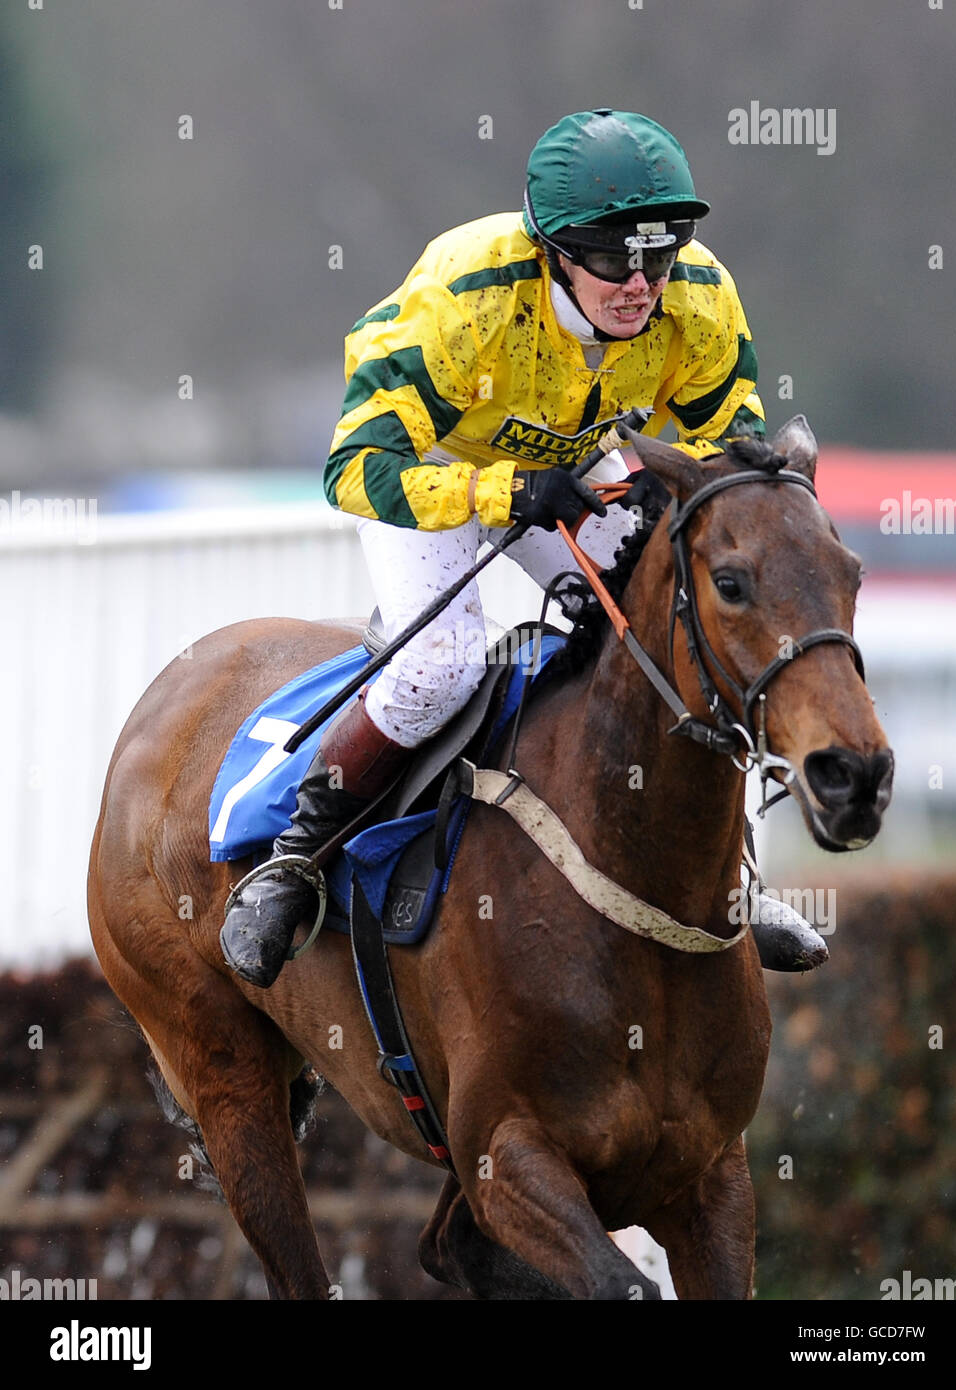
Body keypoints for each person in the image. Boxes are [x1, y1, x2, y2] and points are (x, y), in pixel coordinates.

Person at [221, 108, 773, 988]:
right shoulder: (465, 296)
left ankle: (729, 869)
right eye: (611, 260)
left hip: (568, 463)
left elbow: (730, 450)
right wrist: (502, 491)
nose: (639, 286)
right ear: (553, 249)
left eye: (658, 257)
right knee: (441, 667)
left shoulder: (697, 296)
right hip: (427, 468)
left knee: (663, 626)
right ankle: (291, 858)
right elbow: (353, 470)